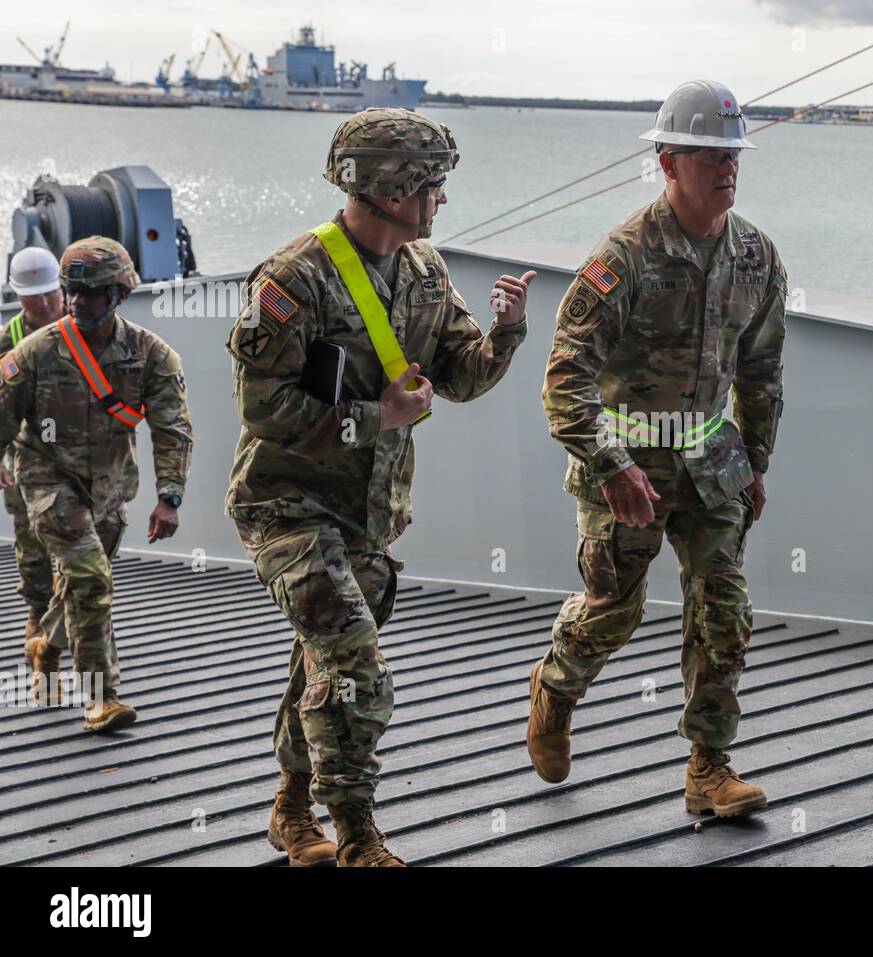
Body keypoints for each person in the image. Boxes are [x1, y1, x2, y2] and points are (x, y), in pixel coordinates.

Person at [226, 107, 533, 866]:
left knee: (322, 662)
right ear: (389, 186)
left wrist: (507, 332)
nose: (442, 198)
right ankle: (359, 833)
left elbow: (459, 377)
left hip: (367, 517)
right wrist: (376, 415)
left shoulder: (424, 270)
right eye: (431, 182)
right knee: (357, 665)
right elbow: (262, 408)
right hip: (286, 507)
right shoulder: (294, 278)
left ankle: (291, 810)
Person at [528, 80, 786, 819]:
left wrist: (758, 463)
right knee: (615, 606)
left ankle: (709, 766)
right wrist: (610, 465)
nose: (725, 169)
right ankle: (555, 686)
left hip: (712, 460)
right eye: (708, 155)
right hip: (630, 462)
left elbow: (763, 370)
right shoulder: (625, 257)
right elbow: (565, 377)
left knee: (724, 609)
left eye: (731, 154)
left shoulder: (756, 257)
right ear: (668, 163)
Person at [0, 237, 193, 731]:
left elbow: (172, 429)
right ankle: (101, 697)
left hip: (109, 486)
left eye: (90, 293)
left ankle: (46, 643)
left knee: (82, 583)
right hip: (46, 479)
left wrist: (169, 497)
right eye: (71, 291)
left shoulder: (153, 355)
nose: (76, 302)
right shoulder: (35, 352)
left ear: (119, 294)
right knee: (90, 577)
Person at [2, 247, 64, 666]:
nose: (43, 304)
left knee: (83, 550)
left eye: (49, 294)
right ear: (17, 296)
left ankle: (70, 626)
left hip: (78, 459)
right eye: (33, 296)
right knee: (32, 546)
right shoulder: (7, 342)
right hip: (25, 462)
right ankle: (38, 618)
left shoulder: (81, 329)